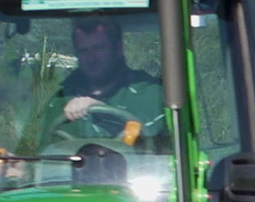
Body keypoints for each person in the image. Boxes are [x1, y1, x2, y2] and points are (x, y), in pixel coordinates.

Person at [41, 15, 164, 148]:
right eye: (84, 51)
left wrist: (102, 111)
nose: (91, 58)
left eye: (99, 48)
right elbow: (45, 154)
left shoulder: (150, 93)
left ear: (118, 49)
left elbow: (155, 138)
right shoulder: (60, 100)